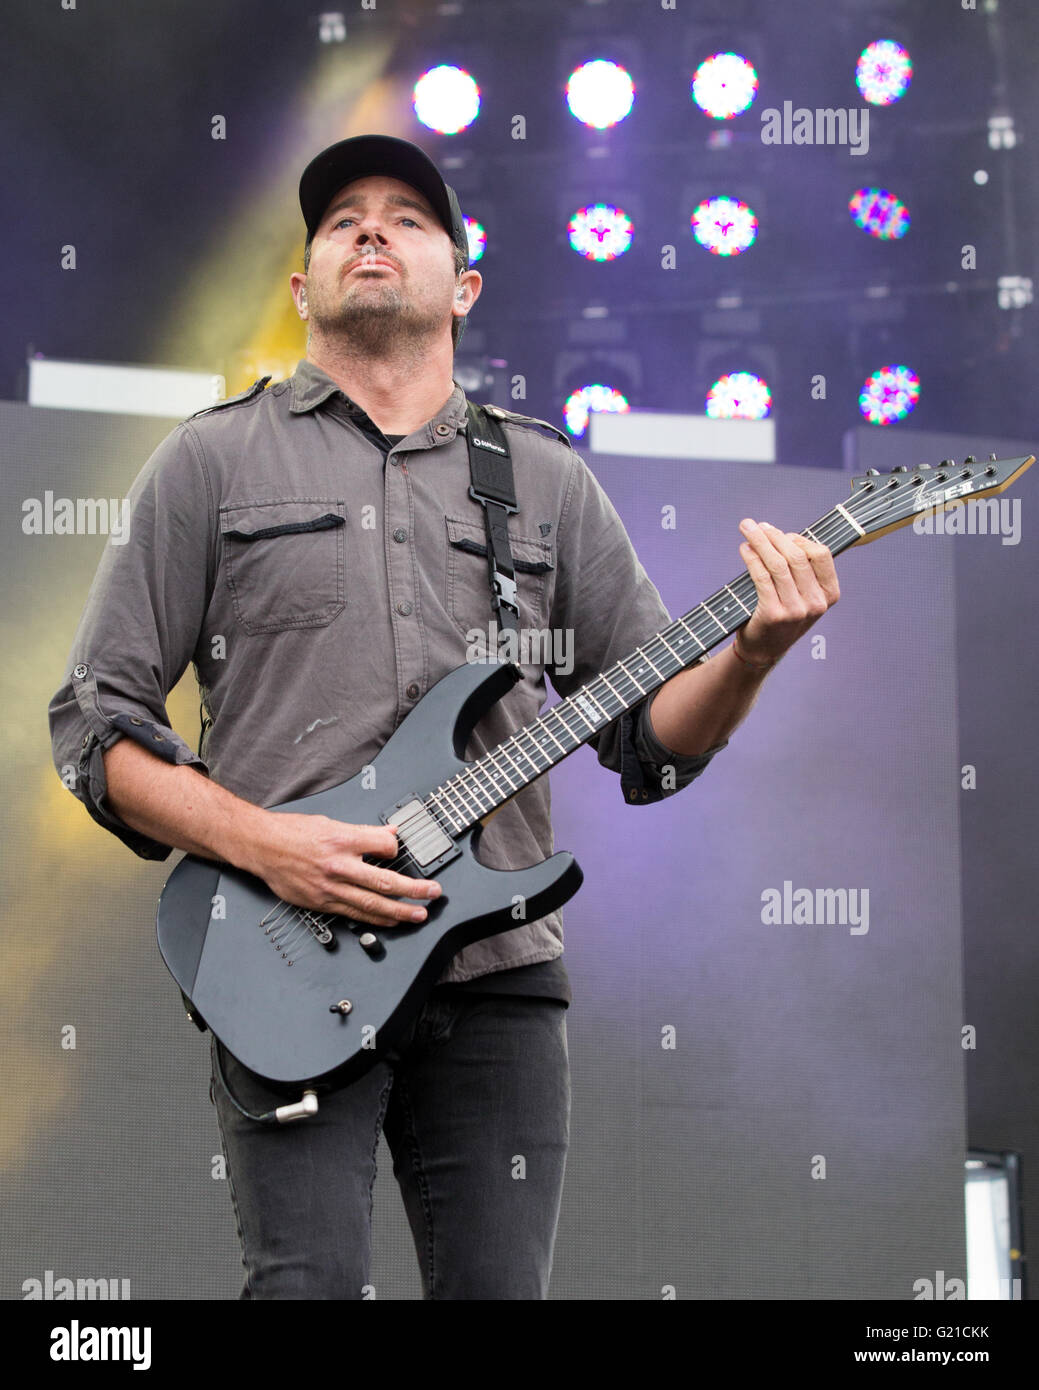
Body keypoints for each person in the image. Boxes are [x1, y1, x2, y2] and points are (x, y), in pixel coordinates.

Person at [48, 134, 840, 1300]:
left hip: (499, 967)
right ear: (301, 285)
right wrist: (271, 844)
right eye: (341, 219)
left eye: (409, 216)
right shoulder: (208, 463)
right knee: (302, 1288)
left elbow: (649, 742)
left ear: (462, 287)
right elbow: (94, 728)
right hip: (288, 959)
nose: (371, 229)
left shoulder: (544, 477)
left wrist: (757, 655)